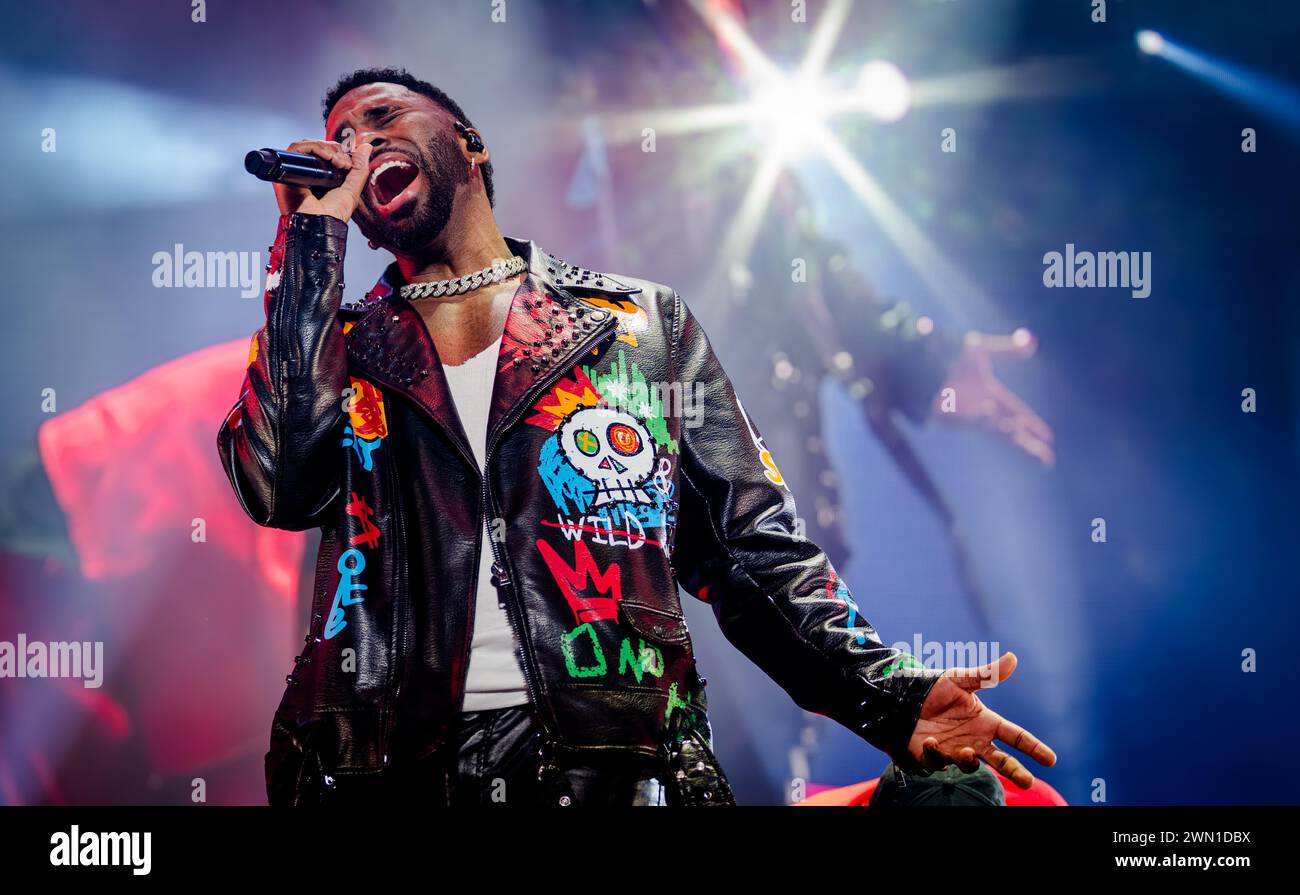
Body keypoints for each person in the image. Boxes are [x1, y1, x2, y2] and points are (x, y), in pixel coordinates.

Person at [217, 67, 1056, 806]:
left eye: (384, 118)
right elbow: (280, 485)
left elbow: (753, 552)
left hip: (613, 771)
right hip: (382, 776)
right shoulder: (340, 347)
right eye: (341, 139)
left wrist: (894, 695)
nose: (358, 144)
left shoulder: (638, 327)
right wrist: (308, 248)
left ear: (468, 144)